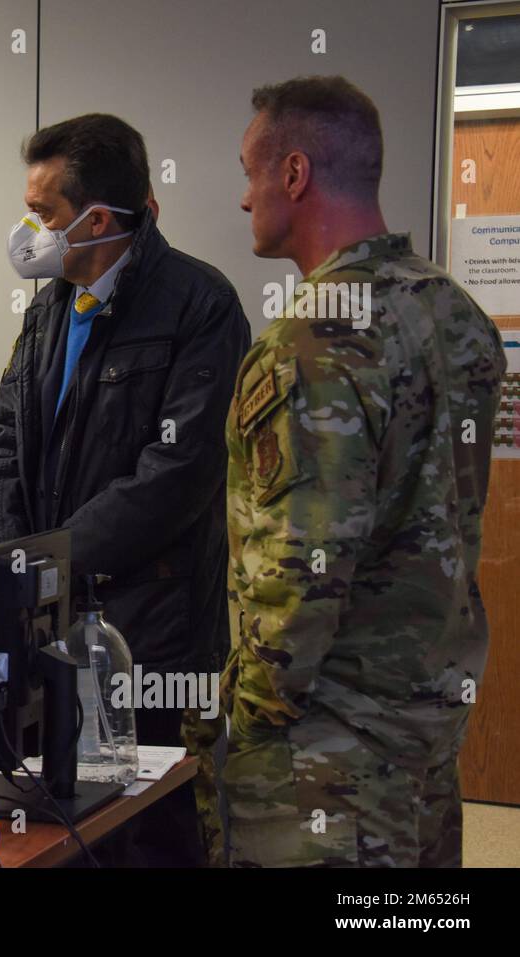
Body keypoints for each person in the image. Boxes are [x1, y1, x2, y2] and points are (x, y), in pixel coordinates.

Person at [223, 75, 505, 867]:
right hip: (427, 722)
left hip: (327, 754)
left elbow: (301, 572)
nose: (244, 199)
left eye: (250, 173)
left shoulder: (308, 343)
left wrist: (247, 717)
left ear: (294, 173)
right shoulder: (456, 312)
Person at [0, 113, 251, 866]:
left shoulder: (199, 303)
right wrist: (13, 564)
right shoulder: (50, 307)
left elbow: (178, 472)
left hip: (153, 631)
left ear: (97, 219)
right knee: (68, 823)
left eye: (44, 214)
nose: (29, 232)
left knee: (155, 829)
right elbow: (2, 440)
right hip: (51, 618)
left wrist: (49, 560)